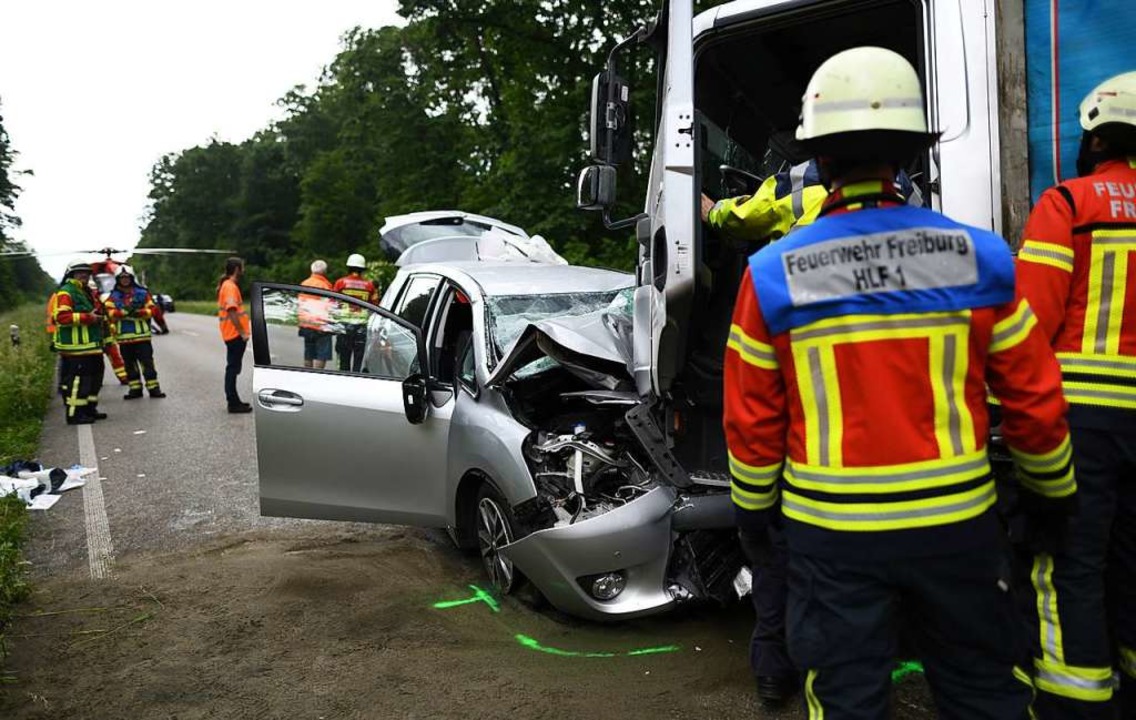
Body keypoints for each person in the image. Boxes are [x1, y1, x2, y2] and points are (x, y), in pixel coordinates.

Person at [723, 46, 1075, 718]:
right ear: (912, 156)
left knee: (849, 699)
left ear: (820, 161)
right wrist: (1053, 492)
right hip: (960, 524)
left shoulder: (771, 275)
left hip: (831, 535)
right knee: (983, 692)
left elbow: (752, 422)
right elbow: (1034, 398)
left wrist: (754, 513)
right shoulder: (979, 255)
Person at [1016, 70, 1136, 720]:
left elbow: (1030, 324)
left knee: (1070, 565)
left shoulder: (1068, 203)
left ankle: (1077, 704)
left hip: (1083, 422)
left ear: (1095, 136)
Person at [50, 259, 106, 424]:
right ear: (71, 274)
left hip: (91, 346)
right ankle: (75, 414)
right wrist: (89, 317)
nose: (84, 275)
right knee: (78, 383)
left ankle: (89, 409)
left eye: (86, 272)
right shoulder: (67, 292)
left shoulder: (86, 291)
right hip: (76, 348)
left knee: (95, 380)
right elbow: (61, 317)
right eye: (79, 272)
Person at [106, 265, 166, 400]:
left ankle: (154, 388)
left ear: (131, 278)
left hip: (142, 337)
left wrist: (138, 312)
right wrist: (124, 312)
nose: (125, 280)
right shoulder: (113, 296)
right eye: (122, 278)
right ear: (117, 279)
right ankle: (135, 389)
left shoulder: (142, 293)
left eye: (127, 277)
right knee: (129, 365)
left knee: (148, 364)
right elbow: (109, 313)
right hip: (124, 339)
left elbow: (152, 310)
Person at [332, 253, 379, 373]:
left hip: (344, 326)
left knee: (343, 359)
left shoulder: (340, 283)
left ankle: (343, 380)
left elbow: (333, 304)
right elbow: (375, 306)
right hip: (361, 327)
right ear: (362, 269)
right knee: (359, 360)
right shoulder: (370, 285)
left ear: (349, 267)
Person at [217, 256, 251, 413]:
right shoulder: (230, 286)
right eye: (242, 267)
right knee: (232, 368)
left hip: (231, 333)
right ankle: (233, 402)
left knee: (233, 368)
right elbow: (231, 310)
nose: (243, 270)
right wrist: (242, 332)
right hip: (234, 334)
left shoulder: (228, 285)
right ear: (237, 269)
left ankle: (234, 400)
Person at [298, 259, 334, 369]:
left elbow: (300, 304)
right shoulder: (326, 285)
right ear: (324, 271)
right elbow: (330, 306)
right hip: (320, 325)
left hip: (306, 323)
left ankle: (308, 374)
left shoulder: (304, 283)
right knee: (322, 354)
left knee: (308, 353)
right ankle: (318, 375)